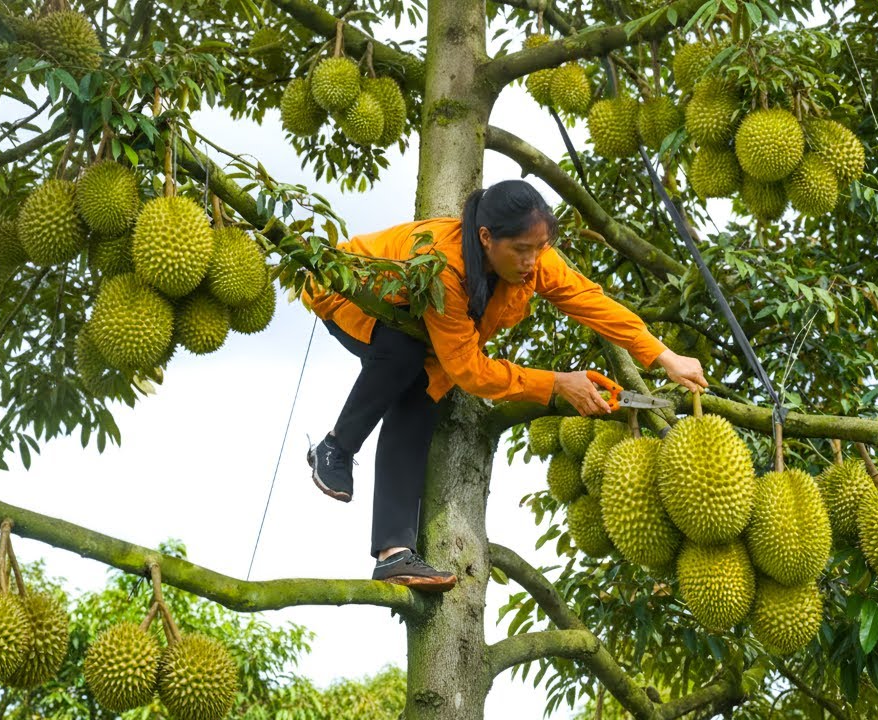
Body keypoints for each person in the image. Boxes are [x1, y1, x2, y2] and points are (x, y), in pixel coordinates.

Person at [302, 179, 708, 592]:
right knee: (404, 357)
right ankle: (335, 446)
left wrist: (664, 356)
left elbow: (590, 300)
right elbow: (470, 371)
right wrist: (555, 383)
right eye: (521, 250)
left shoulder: (534, 259)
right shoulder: (444, 266)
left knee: (422, 398)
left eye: (539, 249)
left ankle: (394, 555)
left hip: (419, 323)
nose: (532, 261)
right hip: (348, 292)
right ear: (486, 238)